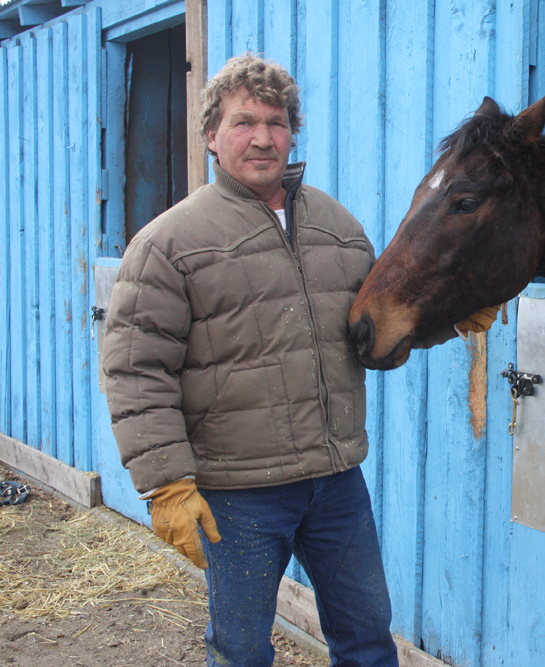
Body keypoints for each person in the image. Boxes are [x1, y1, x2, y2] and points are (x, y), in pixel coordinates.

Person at [102, 53, 498, 667]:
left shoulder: (338, 229)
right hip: (239, 491)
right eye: (243, 123)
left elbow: (373, 338)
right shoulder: (168, 244)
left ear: (293, 131)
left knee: (367, 638)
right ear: (211, 136)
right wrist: (165, 483)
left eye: (277, 121)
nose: (262, 137)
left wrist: (446, 323)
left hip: (336, 482)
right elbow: (136, 371)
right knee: (241, 650)